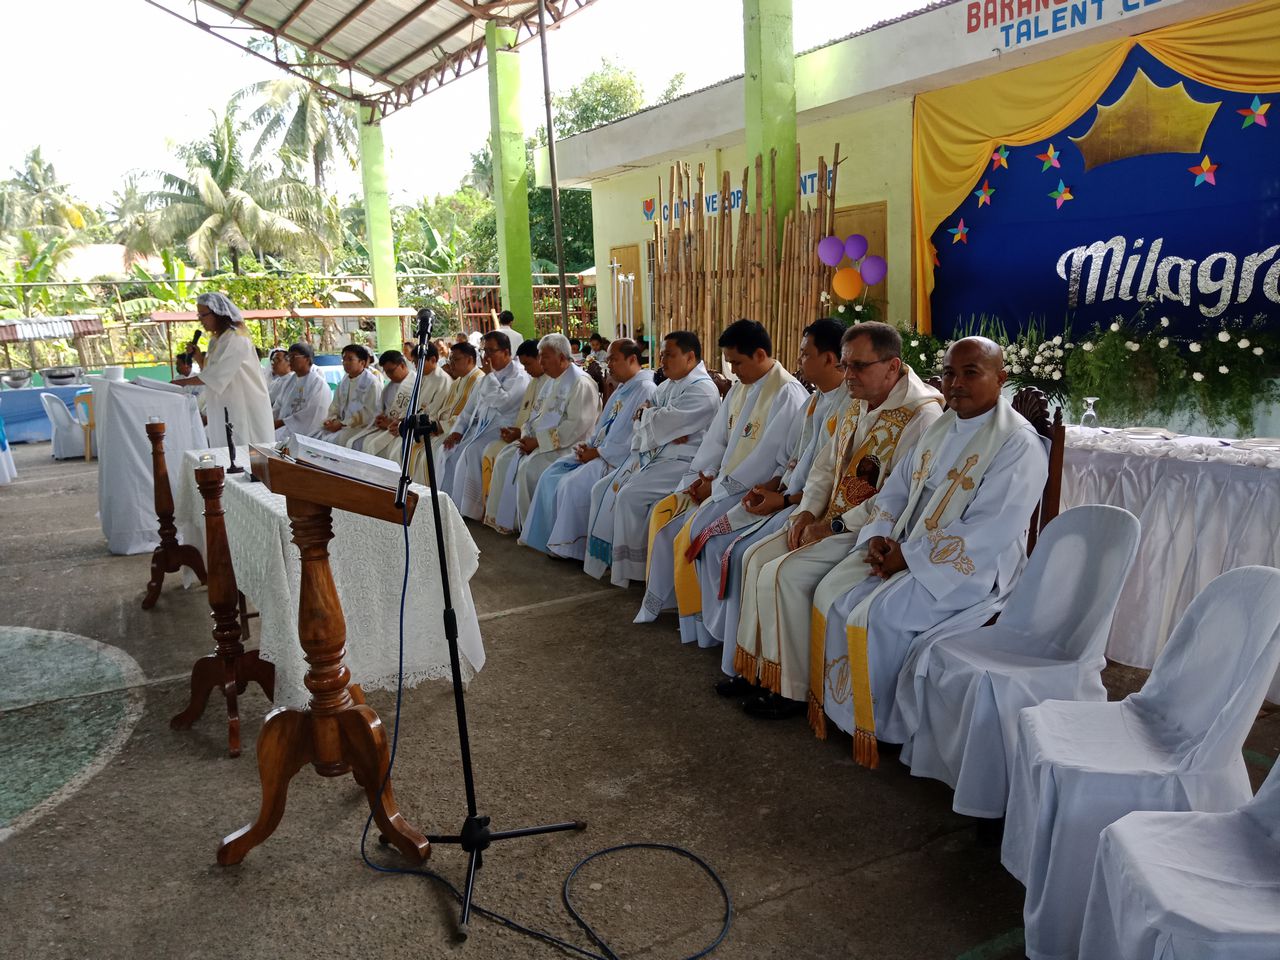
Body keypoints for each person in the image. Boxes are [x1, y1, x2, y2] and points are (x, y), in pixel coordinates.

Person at [807, 337, 1048, 768]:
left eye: (971, 372)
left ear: (1001, 378)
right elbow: (897, 487)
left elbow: (990, 528)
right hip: (905, 547)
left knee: (880, 617)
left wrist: (911, 557)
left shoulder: (1018, 444)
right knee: (835, 596)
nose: (955, 384)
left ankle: (883, 728)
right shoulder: (942, 425)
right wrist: (879, 536)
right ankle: (851, 715)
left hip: (970, 568)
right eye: (950, 373)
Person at [727, 322, 943, 717]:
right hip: (827, 517)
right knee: (753, 558)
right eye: (845, 366)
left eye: (858, 366)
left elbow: (897, 494)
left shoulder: (921, 416)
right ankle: (758, 669)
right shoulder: (856, 397)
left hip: (871, 529)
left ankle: (790, 689)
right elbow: (826, 462)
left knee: (785, 575)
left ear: (893, 366)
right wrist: (808, 509)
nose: (848, 376)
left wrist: (831, 526)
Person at [681, 318, 852, 654]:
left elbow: (834, 478)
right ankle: (729, 644)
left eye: (805, 355)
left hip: (809, 508)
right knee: (715, 541)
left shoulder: (844, 405)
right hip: (784, 496)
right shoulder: (814, 400)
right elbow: (788, 458)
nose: (799, 361)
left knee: (742, 554)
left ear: (830, 359)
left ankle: (748, 656)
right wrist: (768, 488)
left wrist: (783, 497)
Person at [637, 318, 809, 627]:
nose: (734, 371)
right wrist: (703, 475)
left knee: (697, 537)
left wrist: (716, 486)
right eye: (729, 363)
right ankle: (680, 606)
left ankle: (709, 623)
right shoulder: (740, 389)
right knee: (663, 518)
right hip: (719, 484)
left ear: (759, 354)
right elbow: (717, 440)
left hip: (749, 489)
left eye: (737, 363)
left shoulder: (786, 393)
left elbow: (767, 458)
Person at [583, 332, 721, 587]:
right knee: (601, 489)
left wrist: (655, 420)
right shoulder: (669, 384)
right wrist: (659, 424)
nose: (662, 361)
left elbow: (656, 421)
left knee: (627, 496)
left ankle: (634, 569)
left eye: (669, 355)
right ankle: (616, 560)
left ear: (690, 357)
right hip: (659, 454)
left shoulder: (702, 389)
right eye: (661, 355)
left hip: (685, 462)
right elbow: (651, 422)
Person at [520, 338, 656, 559]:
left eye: (613, 359)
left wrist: (599, 452)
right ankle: (552, 540)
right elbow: (602, 424)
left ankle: (571, 548)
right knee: (550, 475)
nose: (608, 364)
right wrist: (590, 445)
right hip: (597, 451)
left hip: (617, 460)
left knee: (569, 485)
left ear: (632, 359)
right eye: (609, 359)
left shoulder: (645, 389)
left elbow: (635, 437)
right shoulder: (624, 388)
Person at [485, 333, 600, 534]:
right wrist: (525, 436)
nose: (541, 362)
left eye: (545, 357)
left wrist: (538, 442)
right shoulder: (551, 381)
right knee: (505, 458)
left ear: (562, 357)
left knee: (529, 468)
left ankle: (536, 530)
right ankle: (511, 522)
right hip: (542, 442)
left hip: (570, 446)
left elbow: (576, 425)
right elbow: (536, 415)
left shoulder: (581, 383)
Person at [438, 330, 530, 519]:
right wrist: (457, 431)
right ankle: (451, 504)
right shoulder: (486, 378)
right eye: (484, 351)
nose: (486, 356)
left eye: (490, 351)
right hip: (479, 429)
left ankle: (472, 508)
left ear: (506, 353)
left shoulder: (519, 377)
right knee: (449, 449)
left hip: (501, 430)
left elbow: (503, 403)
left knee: (471, 452)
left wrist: (490, 377)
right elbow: (469, 410)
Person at [171, 292, 275, 448]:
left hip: (243, 404)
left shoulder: (235, 338)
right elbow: (212, 372)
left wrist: (181, 382)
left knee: (245, 449)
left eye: (203, 315)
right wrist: (199, 357)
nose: (200, 320)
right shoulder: (217, 339)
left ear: (218, 314)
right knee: (226, 449)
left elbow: (215, 376)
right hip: (225, 403)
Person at [411, 341, 483, 483]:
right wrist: (435, 424)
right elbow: (445, 409)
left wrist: (441, 426)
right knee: (417, 450)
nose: (451, 364)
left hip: (462, 434)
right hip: (444, 430)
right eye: (450, 359)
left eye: (456, 360)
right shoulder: (457, 381)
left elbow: (472, 416)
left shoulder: (479, 381)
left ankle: (436, 498)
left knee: (430, 456)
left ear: (469, 360)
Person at [348, 350, 415, 454]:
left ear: (402, 365)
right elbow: (380, 409)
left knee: (374, 448)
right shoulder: (389, 387)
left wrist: (392, 423)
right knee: (355, 443)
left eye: (391, 371)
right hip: (385, 428)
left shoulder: (415, 384)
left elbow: (416, 412)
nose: (388, 375)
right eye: (386, 372)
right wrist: (380, 418)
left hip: (401, 431)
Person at [313, 344, 381, 445]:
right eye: (344, 359)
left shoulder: (371, 383)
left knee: (335, 440)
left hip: (361, 426)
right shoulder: (344, 381)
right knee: (316, 434)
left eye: (350, 359)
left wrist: (342, 424)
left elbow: (369, 412)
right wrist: (332, 419)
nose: (345, 363)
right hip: (341, 423)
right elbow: (335, 405)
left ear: (361, 362)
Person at [273, 342, 331, 442]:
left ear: (307, 359)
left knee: (271, 440)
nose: (289, 360)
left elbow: (313, 413)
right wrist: (270, 421)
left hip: (305, 431)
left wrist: (283, 422)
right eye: (288, 357)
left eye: (293, 356)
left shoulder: (318, 384)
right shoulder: (289, 381)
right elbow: (278, 405)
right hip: (283, 427)